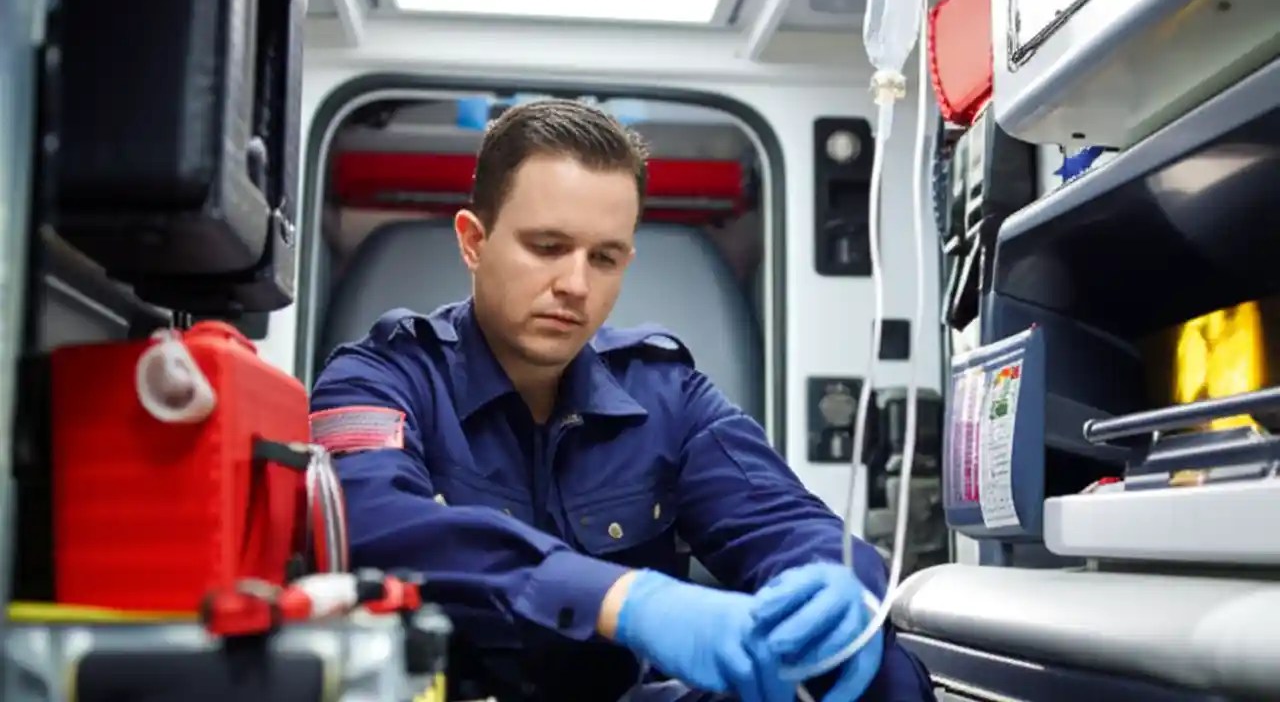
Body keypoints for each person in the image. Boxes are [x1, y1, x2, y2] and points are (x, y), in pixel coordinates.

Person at [309, 99, 935, 701]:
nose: (575, 285)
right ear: (474, 241)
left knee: (877, 674)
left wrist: (838, 584)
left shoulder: (666, 394)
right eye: (547, 247)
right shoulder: (378, 378)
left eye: (604, 258)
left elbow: (782, 520)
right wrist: (626, 601)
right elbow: (363, 521)